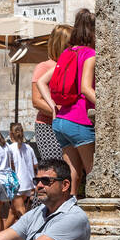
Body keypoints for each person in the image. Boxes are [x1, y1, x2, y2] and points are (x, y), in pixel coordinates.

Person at [38, 8, 96, 197]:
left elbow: (41, 82)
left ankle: (66, 211)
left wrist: (54, 108)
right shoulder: (90, 54)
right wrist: (108, 110)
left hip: (61, 122)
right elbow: (86, 88)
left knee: (72, 175)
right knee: (93, 172)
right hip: (80, 121)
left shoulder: (67, 53)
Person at [30, 23, 72, 162]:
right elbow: (36, 100)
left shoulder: (73, 65)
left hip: (70, 124)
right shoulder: (44, 67)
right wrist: (61, 112)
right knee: (56, 168)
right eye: (70, 43)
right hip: (48, 126)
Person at [6, 122, 38, 227]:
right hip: (28, 182)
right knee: (13, 211)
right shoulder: (29, 148)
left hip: (16, 183)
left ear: (11, 134)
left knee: (21, 210)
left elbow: (8, 166)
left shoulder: (9, 148)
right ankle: (1, 234)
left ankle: (30, 231)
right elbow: (35, 165)